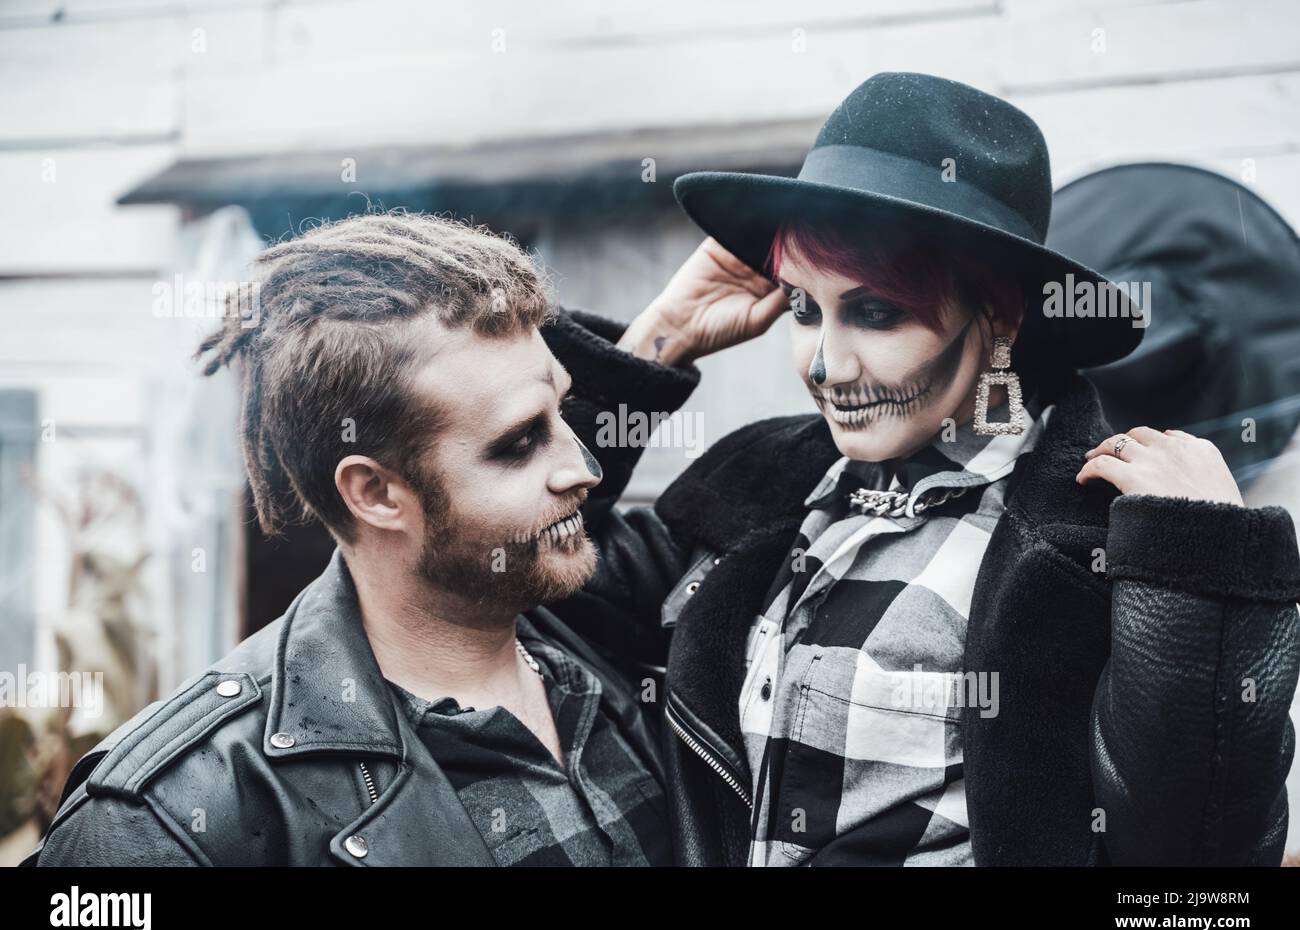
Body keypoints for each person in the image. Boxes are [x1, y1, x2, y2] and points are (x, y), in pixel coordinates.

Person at [548, 72, 1300, 866]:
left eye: (876, 311)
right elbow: (537, 589)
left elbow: (1194, 881)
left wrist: (1208, 569)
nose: (827, 365)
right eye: (804, 307)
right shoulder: (757, 484)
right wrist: (651, 347)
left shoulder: (1106, 540)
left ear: (1001, 315)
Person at [21, 213, 690, 866]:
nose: (582, 469)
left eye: (564, 412)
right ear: (374, 494)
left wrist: (666, 336)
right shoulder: (171, 816)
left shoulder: (614, 634)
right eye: (519, 444)